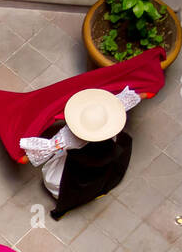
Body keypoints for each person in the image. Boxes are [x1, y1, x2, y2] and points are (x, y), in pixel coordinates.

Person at [20, 87, 140, 219]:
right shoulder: (109, 117)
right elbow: (123, 102)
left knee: (56, 180)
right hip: (101, 157)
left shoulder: (68, 137)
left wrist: (23, 157)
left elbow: (46, 149)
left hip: (76, 166)